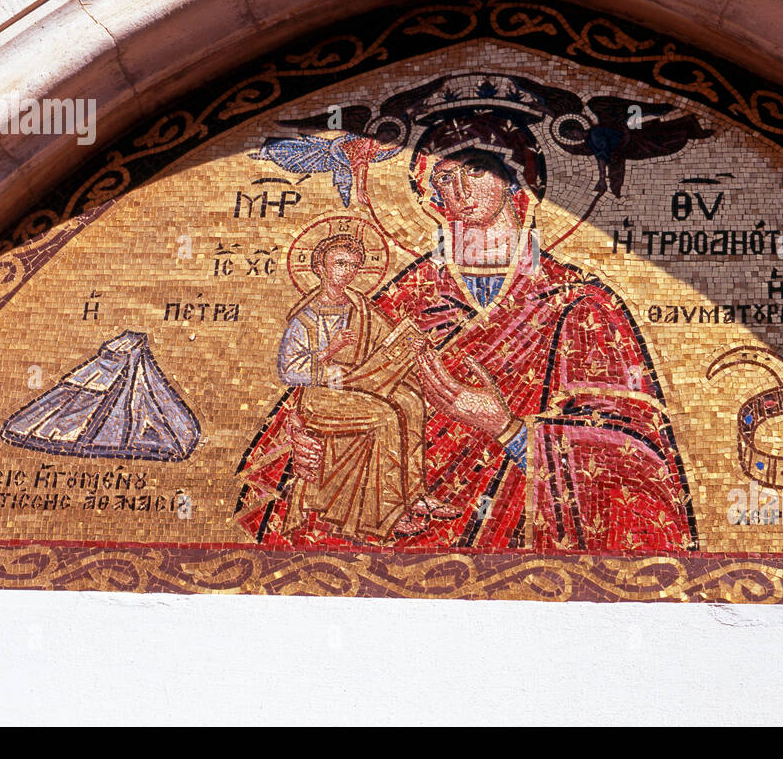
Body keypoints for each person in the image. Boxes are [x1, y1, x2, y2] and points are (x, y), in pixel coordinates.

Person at [238, 118, 697, 552]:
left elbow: (641, 460)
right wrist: (302, 433)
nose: (459, 189)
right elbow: (333, 379)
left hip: (522, 536)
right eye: (443, 178)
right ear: (430, 196)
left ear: (515, 178)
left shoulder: (580, 305)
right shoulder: (408, 297)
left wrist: (507, 428)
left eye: (475, 170)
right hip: (394, 542)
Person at [271, 233, 450, 541]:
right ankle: (389, 513)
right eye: (340, 264)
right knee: (386, 416)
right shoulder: (306, 318)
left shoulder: (360, 306)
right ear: (321, 268)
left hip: (361, 384)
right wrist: (327, 353)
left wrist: (409, 344)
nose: (348, 271)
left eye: (354, 265)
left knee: (410, 399)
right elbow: (289, 370)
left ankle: (415, 493)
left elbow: (387, 339)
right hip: (323, 396)